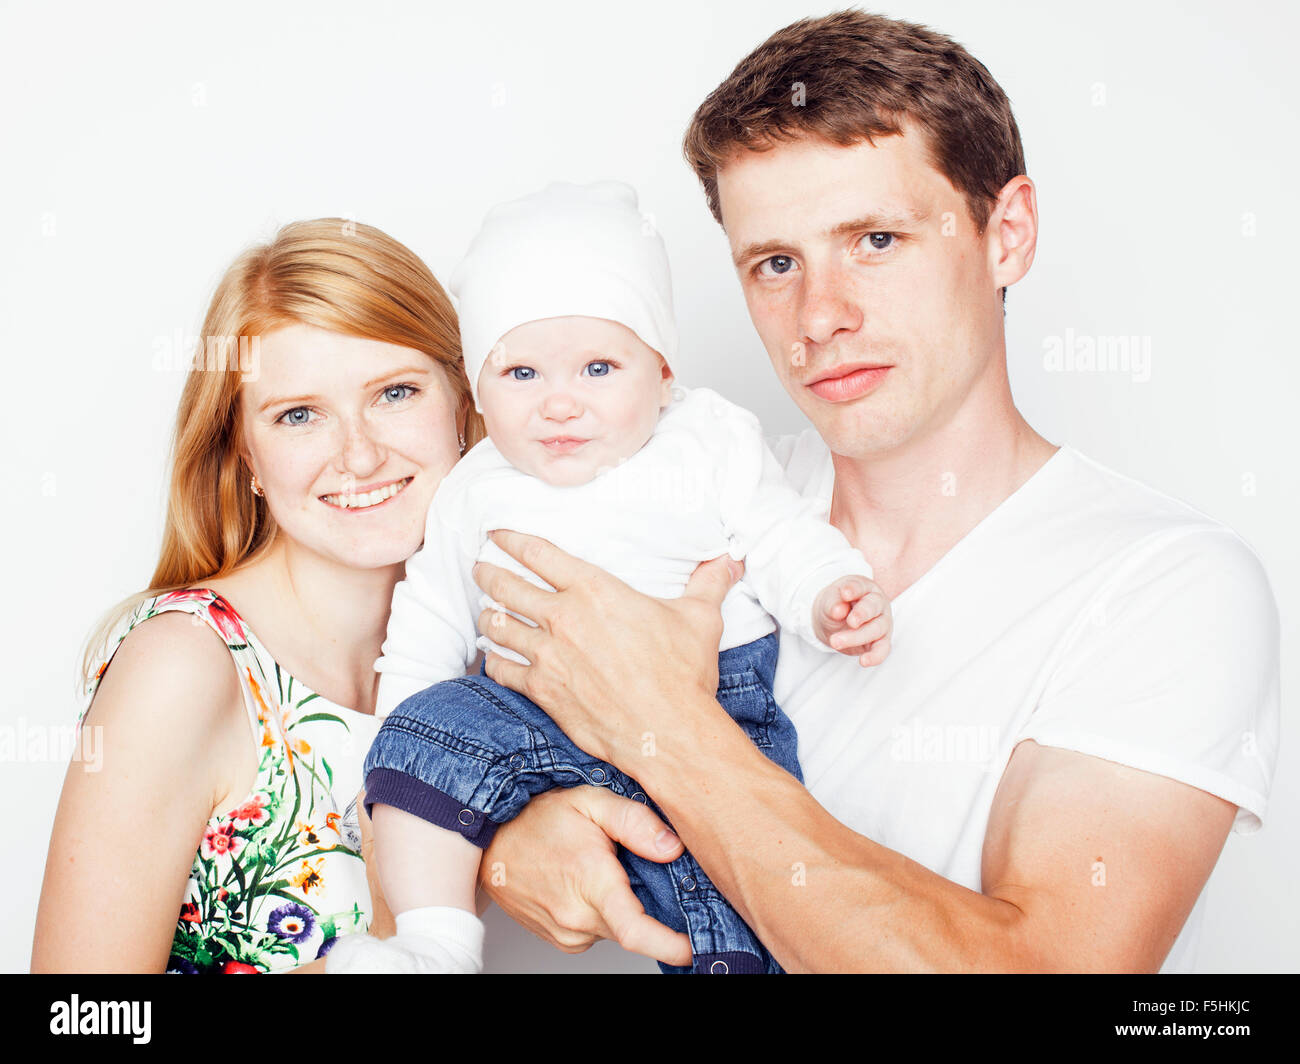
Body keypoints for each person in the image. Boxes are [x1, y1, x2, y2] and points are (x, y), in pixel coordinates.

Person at [469, 10, 1281, 972]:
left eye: (877, 241)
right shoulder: (692, 501)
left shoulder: (1165, 586)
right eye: (777, 263)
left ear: (1007, 233)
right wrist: (506, 841)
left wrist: (670, 732)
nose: (821, 316)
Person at [324, 180, 890, 975]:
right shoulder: (475, 485)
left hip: (713, 706)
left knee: (726, 898)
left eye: (597, 368)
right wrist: (398, 744)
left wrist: (830, 595)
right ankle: (434, 943)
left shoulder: (706, 439)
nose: (559, 404)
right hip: (525, 714)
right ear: (477, 391)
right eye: (521, 374)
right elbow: (430, 616)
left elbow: (780, 534)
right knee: (419, 740)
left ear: (661, 373)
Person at [31, 218, 484, 973]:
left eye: (395, 392)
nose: (360, 453)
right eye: (299, 415)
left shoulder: (478, 653)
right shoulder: (183, 666)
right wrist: (377, 938)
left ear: (463, 403)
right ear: (247, 456)